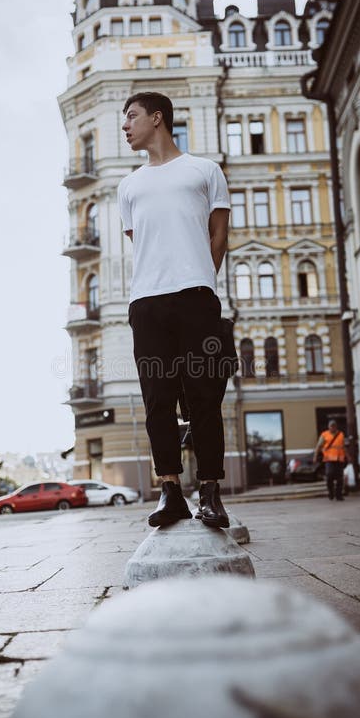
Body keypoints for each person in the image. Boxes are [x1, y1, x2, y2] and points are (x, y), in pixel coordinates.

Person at [118, 91, 231, 529]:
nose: (126, 127)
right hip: (146, 302)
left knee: (204, 396)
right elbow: (142, 243)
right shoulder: (128, 185)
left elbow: (218, 235)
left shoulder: (204, 170)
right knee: (157, 400)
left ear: (157, 117)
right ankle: (170, 491)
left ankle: (210, 493)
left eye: (132, 117)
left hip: (196, 297)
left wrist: (200, 275)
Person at [314, 420, 347, 501]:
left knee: (340, 479)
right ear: (328, 427)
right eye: (330, 426)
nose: (332, 428)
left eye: (333, 426)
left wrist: (348, 456)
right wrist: (315, 456)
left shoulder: (341, 434)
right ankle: (331, 493)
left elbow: (343, 446)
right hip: (329, 459)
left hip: (339, 459)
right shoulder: (324, 435)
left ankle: (339, 495)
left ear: (336, 427)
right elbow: (318, 446)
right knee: (330, 475)